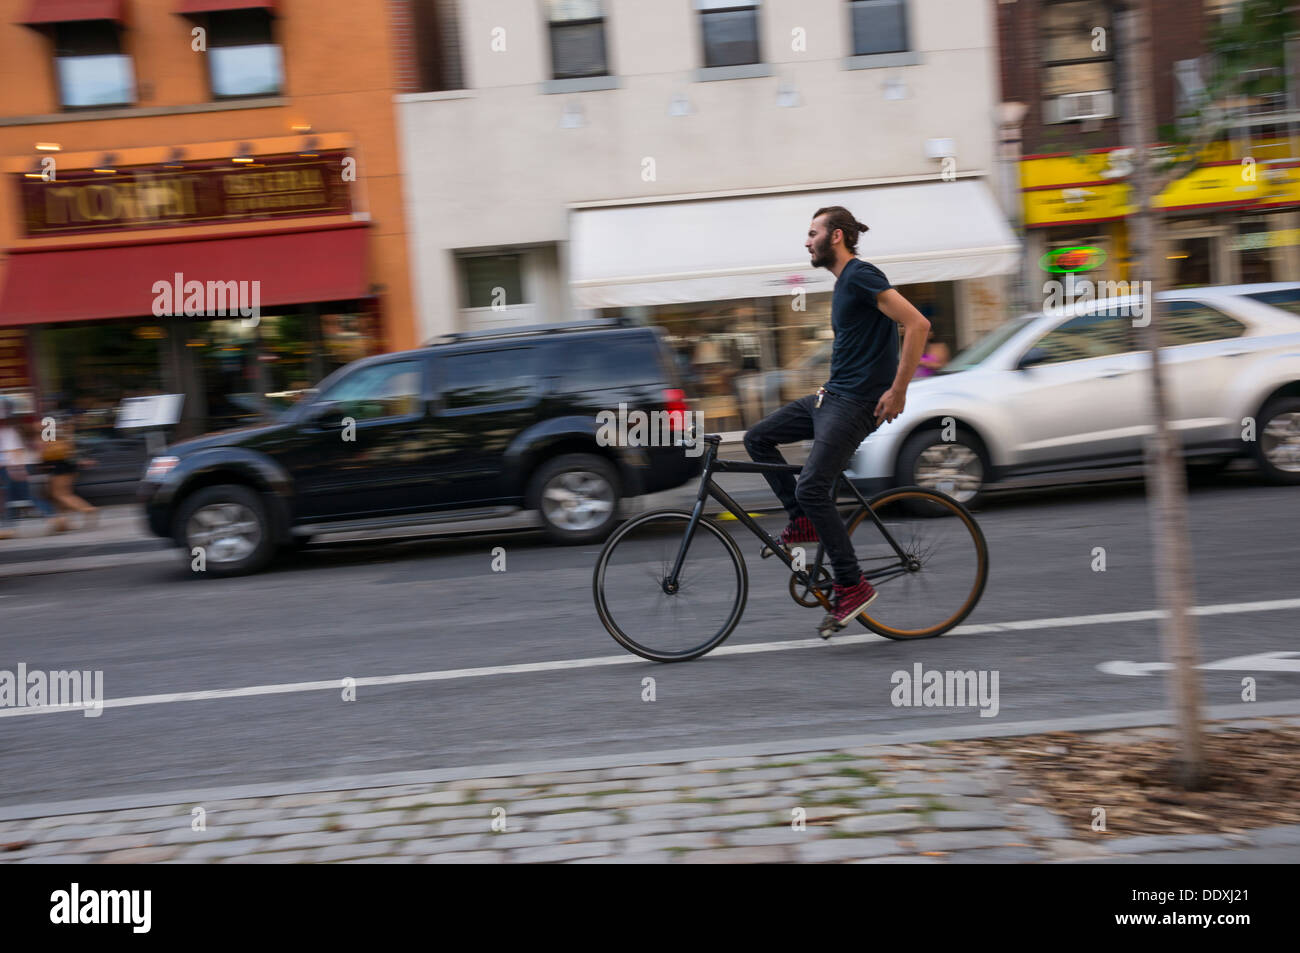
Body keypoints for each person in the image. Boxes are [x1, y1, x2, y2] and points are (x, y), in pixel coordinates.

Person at [743, 206, 930, 637]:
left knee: (811, 485)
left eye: (813, 233)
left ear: (838, 237)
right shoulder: (845, 284)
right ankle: (803, 520)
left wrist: (898, 390)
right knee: (757, 440)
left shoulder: (861, 275)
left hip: (856, 405)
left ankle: (852, 584)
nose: (806, 241)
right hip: (830, 398)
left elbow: (917, 324)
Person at [41, 414, 97, 532]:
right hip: (68, 467)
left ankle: (87, 509)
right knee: (59, 496)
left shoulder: (51, 426)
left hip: (60, 466)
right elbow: (78, 449)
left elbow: (46, 447)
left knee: (60, 495)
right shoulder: (71, 433)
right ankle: (63, 524)